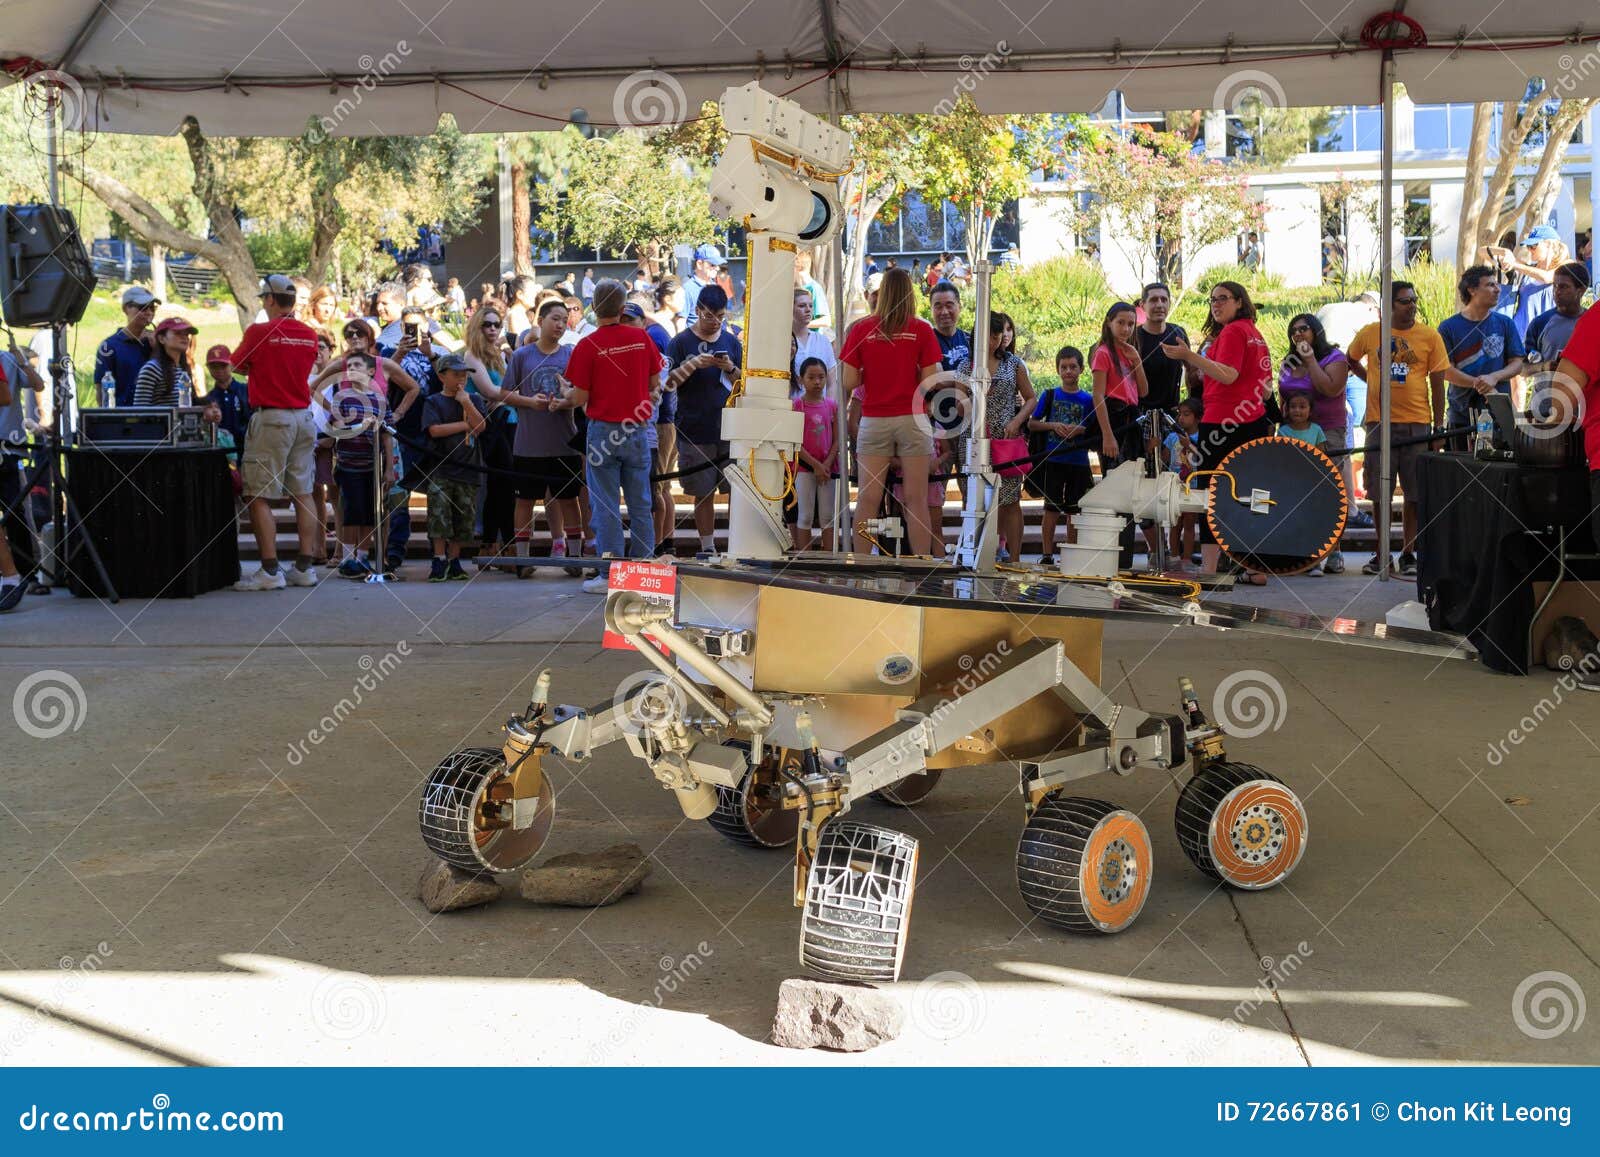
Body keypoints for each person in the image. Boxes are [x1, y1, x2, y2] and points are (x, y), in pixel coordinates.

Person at [1161, 281, 1272, 580]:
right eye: (1212, 299)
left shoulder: (1234, 332)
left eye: (1223, 299)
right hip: (1254, 421)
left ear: (1239, 301)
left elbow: (1228, 374)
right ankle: (1255, 566)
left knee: (1209, 492)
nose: (1216, 304)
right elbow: (1265, 391)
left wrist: (1189, 356)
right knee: (1255, 494)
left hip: (1225, 421)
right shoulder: (1256, 334)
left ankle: (1210, 568)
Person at [560, 280, 660, 590]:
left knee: (604, 505)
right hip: (636, 428)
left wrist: (564, 391)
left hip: (602, 430)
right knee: (641, 502)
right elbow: (655, 381)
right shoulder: (641, 338)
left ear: (593, 307)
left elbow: (578, 398)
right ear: (621, 307)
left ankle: (610, 574)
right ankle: (644, 573)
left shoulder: (587, 346)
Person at [1345, 280, 1450, 577]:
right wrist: (1372, 383)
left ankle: (1408, 553)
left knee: (1415, 493)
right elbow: (1350, 359)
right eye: (1404, 301)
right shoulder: (1370, 333)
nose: (1412, 305)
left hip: (1418, 422)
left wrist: (1438, 427)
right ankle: (1381, 553)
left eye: (1414, 300)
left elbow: (1438, 383)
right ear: (1389, 306)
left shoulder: (1429, 335)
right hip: (1380, 422)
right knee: (1380, 492)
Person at [841, 267, 942, 557]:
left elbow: (848, 381)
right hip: (913, 418)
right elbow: (930, 380)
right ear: (910, 294)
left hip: (874, 418)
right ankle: (921, 562)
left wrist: (871, 375)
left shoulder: (861, 329)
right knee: (916, 499)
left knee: (868, 498)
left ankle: (861, 563)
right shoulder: (921, 329)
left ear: (882, 294)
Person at [232, 274, 324, 590]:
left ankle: (270, 571)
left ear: (270, 300)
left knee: (257, 493)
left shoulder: (259, 332)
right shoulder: (310, 334)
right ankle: (304, 566)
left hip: (272, 418)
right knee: (303, 491)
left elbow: (237, 365)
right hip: (304, 418)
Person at [502, 299, 584, 576]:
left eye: (564, 319)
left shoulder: (570, 354)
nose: (560, 325)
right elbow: (504, 393)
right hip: (528, 443)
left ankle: (574, 557)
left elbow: (580, 396)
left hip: (564, 442)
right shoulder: (522, 356)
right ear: (541, 320)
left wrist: (565, 401)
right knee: (525, 501)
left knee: (569, 500)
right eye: (555, 319)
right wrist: (528, 401)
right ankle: (523, 559)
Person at [667, 285, 742, 554]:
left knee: (737, 491)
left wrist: (730, 368)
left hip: (730, 428)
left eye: (720, 316)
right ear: (697, 311)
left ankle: (737, 542)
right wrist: (693, 364)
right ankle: (707, 546)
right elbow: (668, 383)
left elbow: (743, 384)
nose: (715, 322)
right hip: (694, 428)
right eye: (709, 315)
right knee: (702, 491)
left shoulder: (732, 342)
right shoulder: (680, 342)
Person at [957, 312, 1034, 561]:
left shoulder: (1014, 364)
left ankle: (1014, 559)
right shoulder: (964, 366)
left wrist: (1016, 421)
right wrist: (976, 396)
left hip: (1005, 437)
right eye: (987, 335)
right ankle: (976, 554)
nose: (991, 341)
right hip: (973, 439)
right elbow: (958, 408)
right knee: (973, 499)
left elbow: (1031, 398)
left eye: (996, 335)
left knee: (1010, 500)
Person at [1275, 313, 1350, 571]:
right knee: (1297, 492)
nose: (1298, 334)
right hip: (1293, 432)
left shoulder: (1335, 358)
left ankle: (1334, 551)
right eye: (1293, 330)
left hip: (1327, 432)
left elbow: (1330, 389)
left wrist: (1309, 359)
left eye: (1304, 328)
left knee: (1327, 491)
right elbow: (1282, 397)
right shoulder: (1288, 362)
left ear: (1316, 331)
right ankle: (1307, 550)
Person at [318, 353, 393, 578]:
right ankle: (348, 558)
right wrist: (361, 425)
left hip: (372, 465)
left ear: (371, 371)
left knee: (369, 513)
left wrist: (389, 467)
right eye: (348, 365)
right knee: (351, 512)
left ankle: (363, 556)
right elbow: (338, 428)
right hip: (348, 465)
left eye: (357, 365)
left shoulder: (380, 400)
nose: (351, 368)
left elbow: (387, 435)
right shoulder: (342, 397)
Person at [380, 306, 443, 572]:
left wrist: (431, 355)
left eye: (418, 326)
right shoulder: (387, 354)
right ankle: (394, 551)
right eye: (408, 326)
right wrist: (401, 352)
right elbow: (380, 382)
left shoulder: (438, 354)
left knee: (437, 493)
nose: (414, 332)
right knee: (398, 494)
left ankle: (437, 552)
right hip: (400, 430)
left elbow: (446, 385)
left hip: (430, 431)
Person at [1438, 264, 1526, 449]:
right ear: (1472, 290)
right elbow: (1445, 370)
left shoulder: (1505, 323)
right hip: (1461, 413)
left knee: (1498, 471)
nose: (1498, 289)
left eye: (1497, 285)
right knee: (1461, 470)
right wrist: (1479, 384)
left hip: (1499, 413)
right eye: (1490, 285)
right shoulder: (1448, 327)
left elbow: (1517, 363)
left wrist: (1494, 377)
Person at [459, 303, 517, 570]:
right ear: (477, 327)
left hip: (509, 422)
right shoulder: (472, 356)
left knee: (503, 488)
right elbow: (491, 391)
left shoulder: (498, 355)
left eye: (497, 324)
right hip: (490, 427)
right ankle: (502, 546)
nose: (493, 329)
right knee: (499, 487)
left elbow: (505, 387)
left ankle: (494, 544)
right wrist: (525, 400)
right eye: (487, 324)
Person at [1027, 346, 1094, 566]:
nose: (1068, 371)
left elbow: (1094, 429)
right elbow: (1032, 423)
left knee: (1074, 511)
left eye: (1073, 367)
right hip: (1054, 460)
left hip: (1079, 462)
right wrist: (1053, 425)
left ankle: (1071, 553)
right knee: (1051, 508)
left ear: (1081, 369)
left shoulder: (1088, 400)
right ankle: (1047, 554)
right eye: (1064, 367)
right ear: (1057, 369)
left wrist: (1080, 429)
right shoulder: (1050, 395)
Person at [421, 353, 485, 581]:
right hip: (441, 469)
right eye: (456, 374)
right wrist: (463, 424)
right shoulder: (433, 402)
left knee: (463, 517)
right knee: (439, 515)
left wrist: (466, 402)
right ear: (441, 376)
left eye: (464, 374)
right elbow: (434, 430)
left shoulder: (473, 400)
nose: (461, 379)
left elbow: (480, 427)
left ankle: (454, 559)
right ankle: (438, 558)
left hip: (468, 468)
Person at [1484, 225, 1567, 340]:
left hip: (1548, 338)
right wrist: (1504, 251)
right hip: (1520, 338)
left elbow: (1547, 277)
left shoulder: (1564, 268)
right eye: (1528, 246)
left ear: (1549, 244)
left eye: (1533, 246)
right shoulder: (1525, 269)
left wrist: (1514, 264)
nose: (1529, 250)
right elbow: (1482, 251)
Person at [791, 357, 839, 551]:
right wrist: (815, 465)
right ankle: (805, 560)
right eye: (811, 377)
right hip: (804, 468)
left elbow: (837, 440)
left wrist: (825, 464)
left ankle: (829, 559)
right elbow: (795, 442)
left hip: (828, 468)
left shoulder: (831, 406)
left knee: (828, 516)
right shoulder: (796, 406)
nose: (817, 382)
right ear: (801, 379)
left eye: (821, 377)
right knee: (805, 515)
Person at [94, 286, 160, 406]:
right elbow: (101, 392)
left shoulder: (157, 342)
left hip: (155, 415)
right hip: (120, 416)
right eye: (143, 308)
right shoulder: (109, 346)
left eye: (152, 308)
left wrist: (157, 350)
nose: (149, 312)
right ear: (126, 309)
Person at [1524, 261, 1590, 373]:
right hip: (1546, 390)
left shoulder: (1592, 322)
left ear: (1581, 291)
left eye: (1564, 287)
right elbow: (1523, 368)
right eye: (1554, 286)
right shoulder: (1540, 322)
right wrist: (1544, 367)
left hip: (1581, 390)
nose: (1557, 292)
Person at [1165, 397, 1203, 566]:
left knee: (1189, 523)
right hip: (1175, 486)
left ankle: (1187, 558)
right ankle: (1174, 556)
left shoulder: (1202, 436)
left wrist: (1189, 445)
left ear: (1198, 417)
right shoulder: (1173, 436)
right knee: (1175, 523)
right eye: (1180, 414)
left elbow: (1202, 457)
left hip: (1193, 486)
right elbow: (1164, 458)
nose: (1181, 418)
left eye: (1186, 414)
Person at [132, 317, 198, 406]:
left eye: (186, 334)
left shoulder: (183, 368)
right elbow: (140, 410)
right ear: (161, 339)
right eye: (177, 333)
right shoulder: (151, 369)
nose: (184, 337)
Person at [792, 289, 837, 389]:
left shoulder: (823, 341)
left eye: (811, 305)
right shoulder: (784, 341)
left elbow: (832, 382)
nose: (808, 309)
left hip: (820, 403)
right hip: (793, 403)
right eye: (802, 306)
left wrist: (829, 404)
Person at [683, 245, 727, 324]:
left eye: (718, 265)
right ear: (699, 264)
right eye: (713, 265)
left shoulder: (715, 286)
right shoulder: (687, 289)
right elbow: (680, 323)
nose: (717, 268)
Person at [793, 249, 832, 337]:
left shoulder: (814, 288)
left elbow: (826, 321)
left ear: (797, 268)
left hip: (811, 341)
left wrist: (800, 325)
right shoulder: (797, 288)